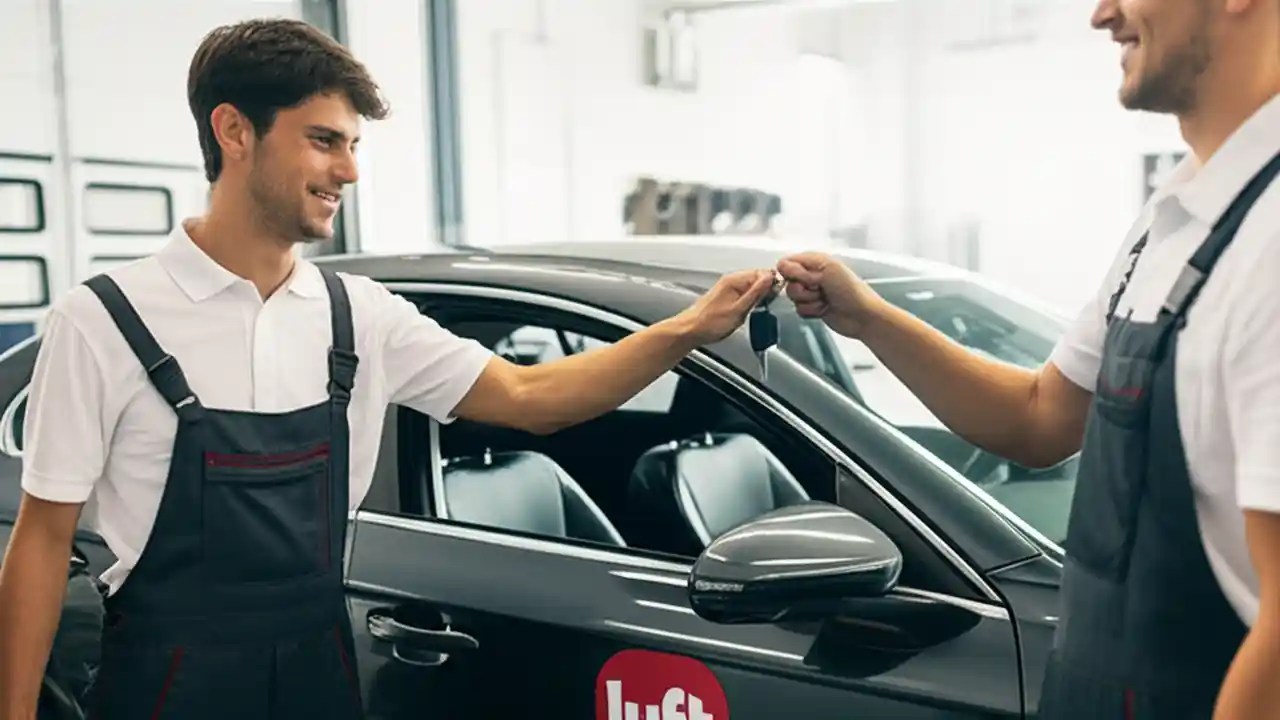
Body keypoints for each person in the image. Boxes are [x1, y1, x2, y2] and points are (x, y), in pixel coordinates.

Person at [0, 18, 776, 720]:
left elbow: (532, 396)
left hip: (318, 675)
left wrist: (689, 329)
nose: (349, 171)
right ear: (234, 130)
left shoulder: (358, 316)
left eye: (354, 146)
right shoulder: (102, 319)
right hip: (165, 689)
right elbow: (40, 537)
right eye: (324, 140)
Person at [777, 0, 1279, 718]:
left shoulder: (1272, 241)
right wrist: (866, 318)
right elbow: (1039, 418)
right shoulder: (1171, 218)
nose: (1102, 13)